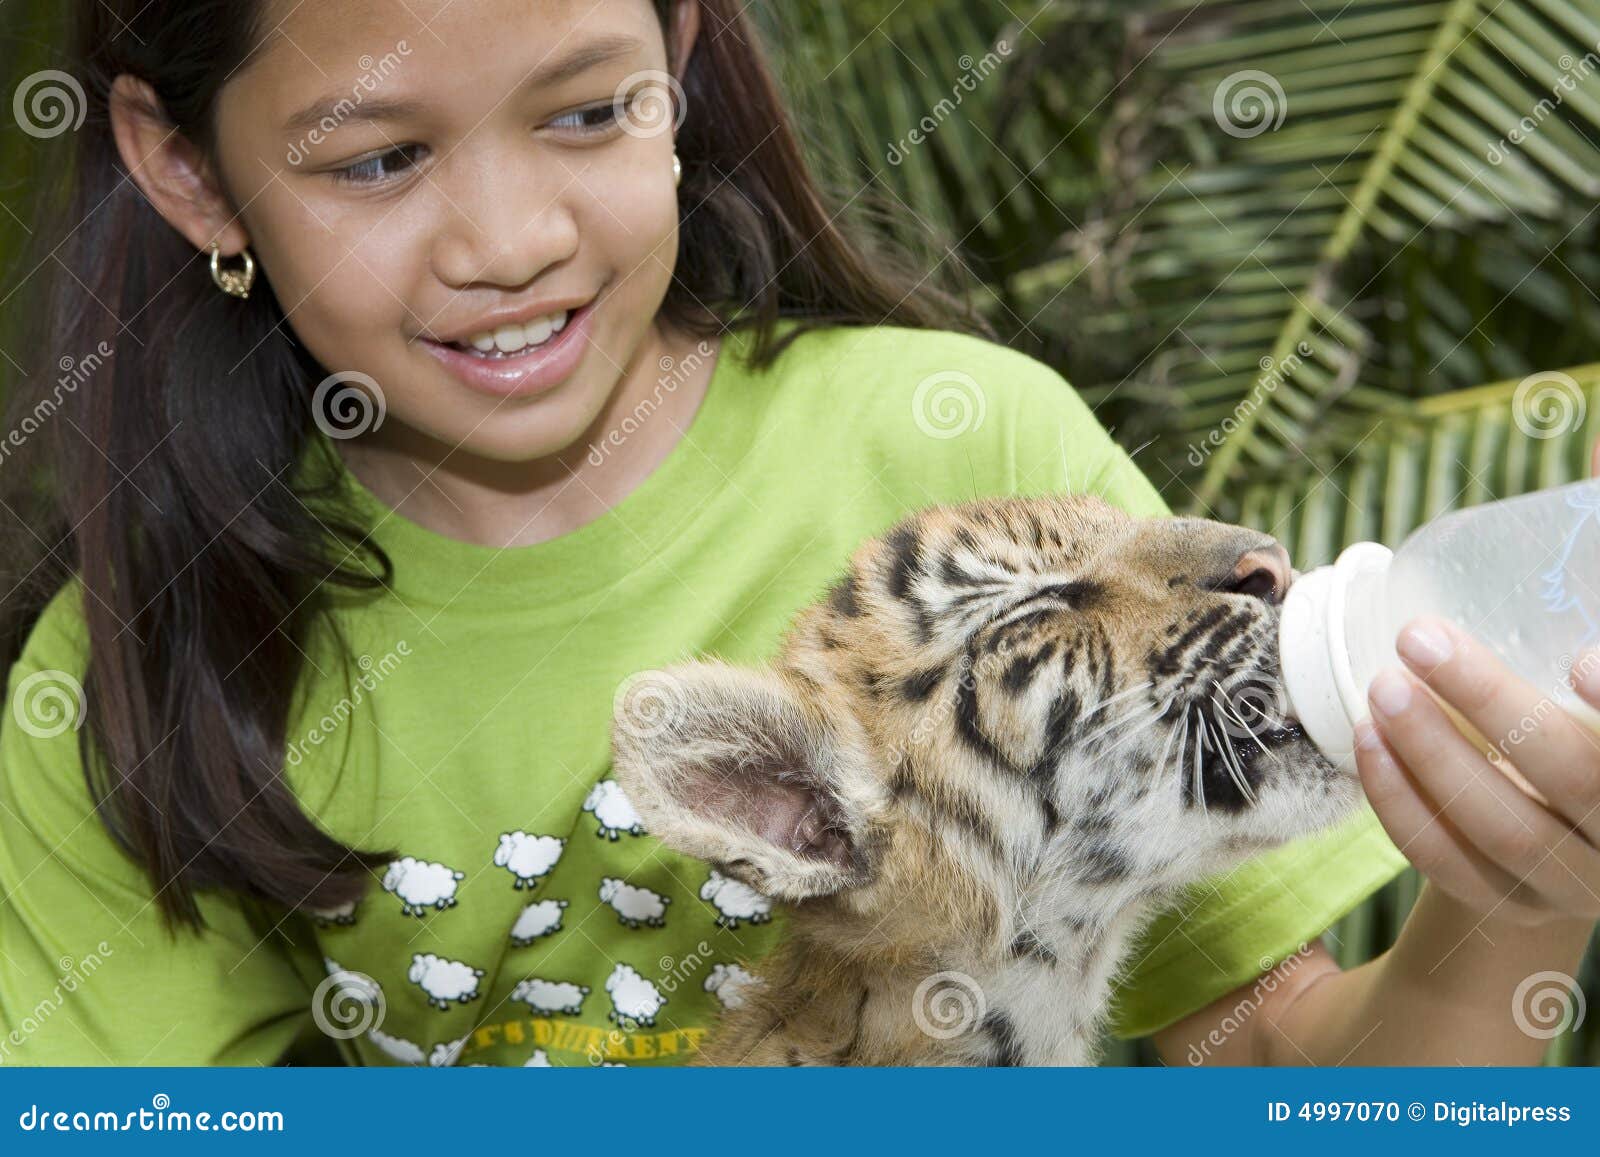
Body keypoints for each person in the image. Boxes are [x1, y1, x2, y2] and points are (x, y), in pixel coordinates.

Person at [0, 0, 1593, 1067]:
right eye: (382, 158)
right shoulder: (135, 675)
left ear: (678, 60)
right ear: (186, 170)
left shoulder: (959, 435)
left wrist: (1520, 898)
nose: (512, 241)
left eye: (583, 114)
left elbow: (1274, 1056)